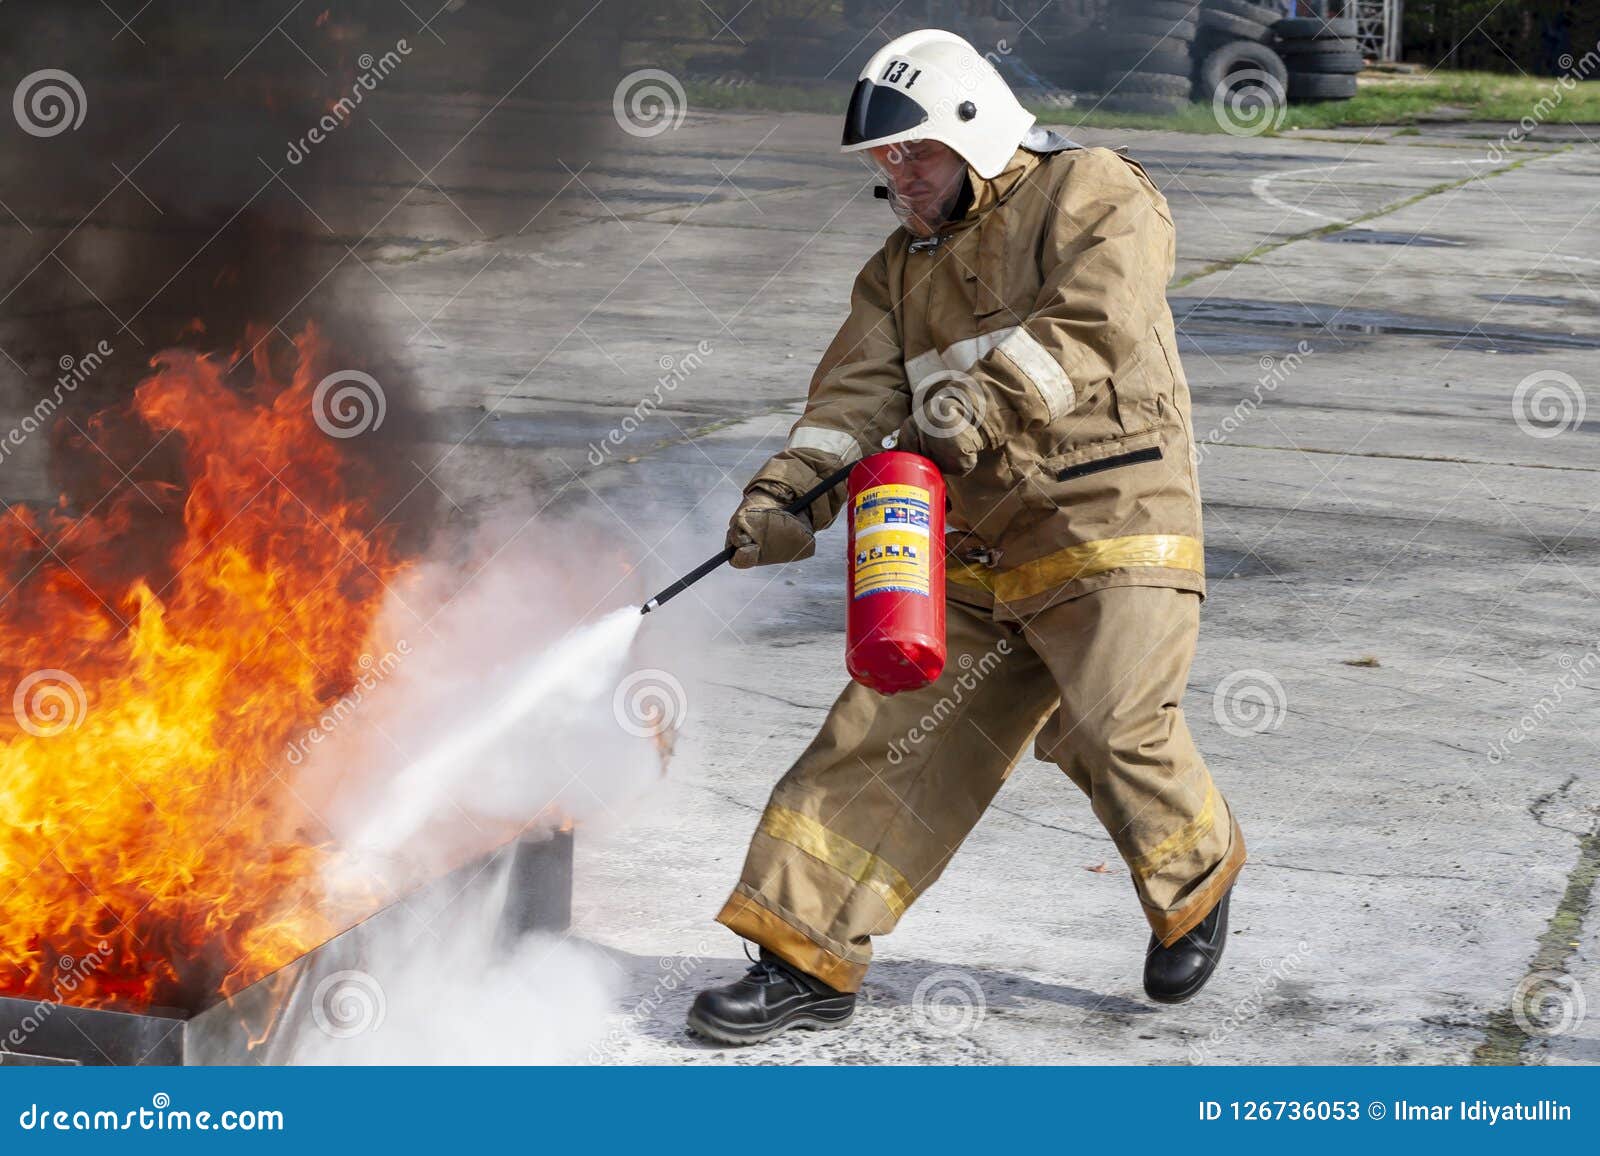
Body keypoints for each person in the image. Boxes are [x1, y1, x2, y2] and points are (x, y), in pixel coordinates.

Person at [688, 28, 1245, 1045]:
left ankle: (1196, 875)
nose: (898, 175)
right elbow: (849, 403)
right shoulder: (896, 273)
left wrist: (975, 405)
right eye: (885, 159)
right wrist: (785, 496)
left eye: (917, 153)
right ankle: (803, 957)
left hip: (1111, 519)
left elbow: (1098, 317)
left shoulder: (1090, 188)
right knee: (875, 740)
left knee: (1109, 724)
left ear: (978, 130)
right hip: (979, 550)